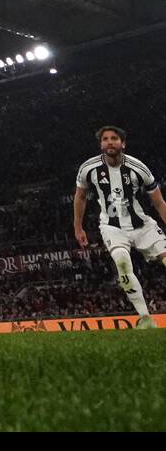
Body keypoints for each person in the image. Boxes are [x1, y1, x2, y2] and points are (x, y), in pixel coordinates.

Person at [74, 125, 166, 329]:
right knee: (122, 263)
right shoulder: (88, 168)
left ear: (122, 143)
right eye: (105, 139)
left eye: (114, 138)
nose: (109, 142)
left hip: (142, 225)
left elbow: (158, 202)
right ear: (101, 144)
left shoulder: (138, 168)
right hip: (112, 227)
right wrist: (78, 227)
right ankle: (145, 318)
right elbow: (80, 197)